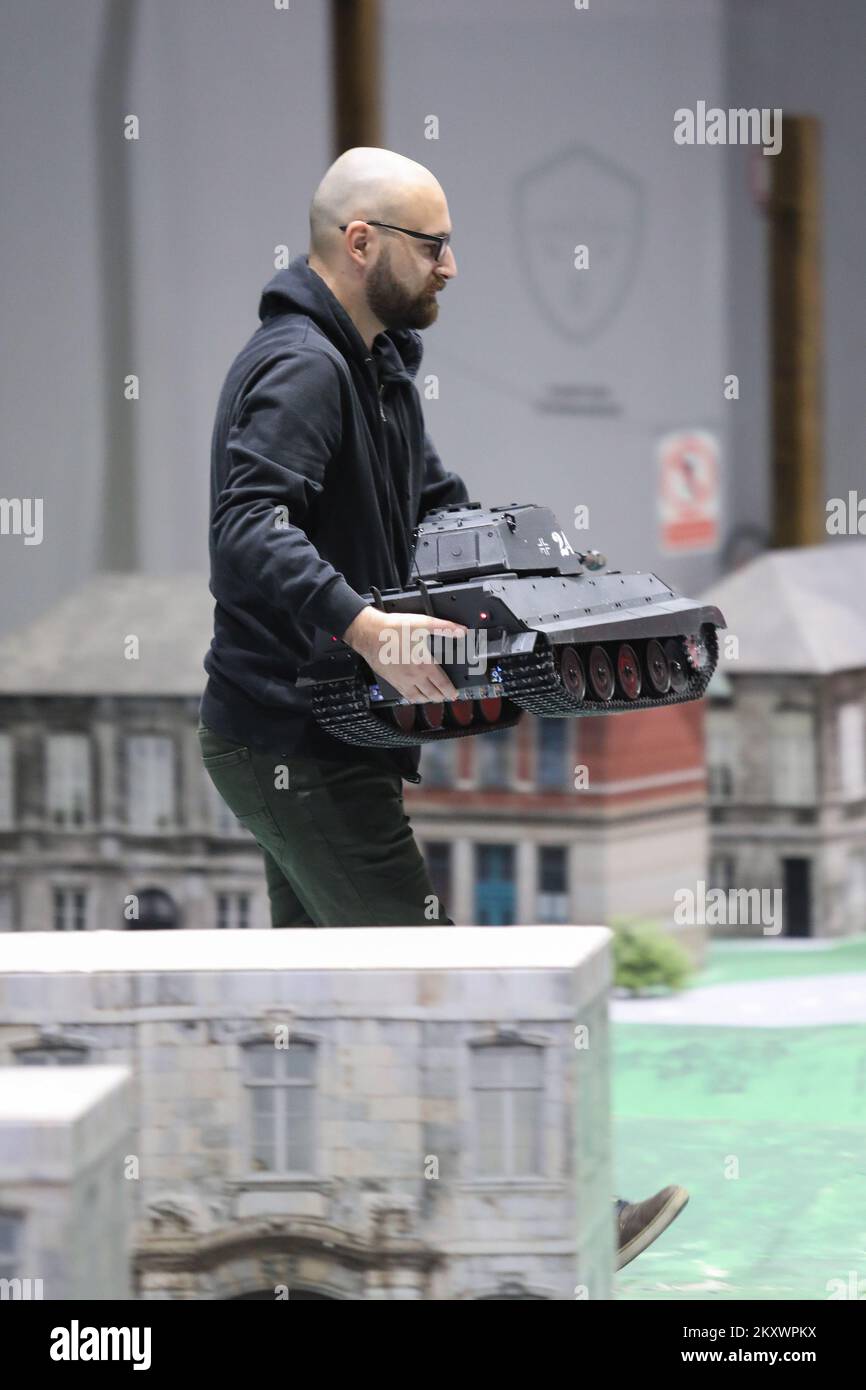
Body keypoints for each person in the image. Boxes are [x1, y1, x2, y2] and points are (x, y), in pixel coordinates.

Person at [198, 145, 688, 1270]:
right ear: (359, 242)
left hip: (306, 736)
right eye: (433, 244)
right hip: (298, 738)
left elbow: (433, 509)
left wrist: (547, 578)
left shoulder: (373, 371)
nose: (452, 266)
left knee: (320, 1017)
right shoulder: (305, 367)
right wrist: (365, 626)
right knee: (440, 989)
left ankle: (311, 1239)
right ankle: (567, 1218)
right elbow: (246, 527)